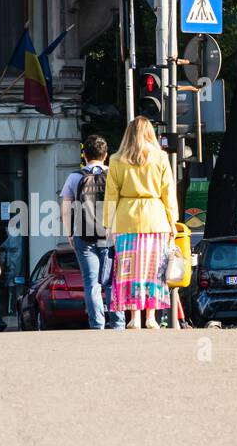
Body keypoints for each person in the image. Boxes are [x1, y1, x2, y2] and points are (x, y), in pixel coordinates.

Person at [103, 116, 178, 329]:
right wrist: (173, 220)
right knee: (153, 269)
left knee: (129, 270)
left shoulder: (117, 159)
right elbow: (168, 192)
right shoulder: (161, 158)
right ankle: (151, 317)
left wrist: (108, 223)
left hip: (126, 218)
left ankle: (134, 318)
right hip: (156, 218)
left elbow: (111, 194)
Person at [61, 134, 123, 329]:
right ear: (105, 155)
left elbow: (65, 207)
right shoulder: (113, 174)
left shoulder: (75, 177)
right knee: (113, 280)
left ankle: (97, 325)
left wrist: (69, 233)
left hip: (84, 234)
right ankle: (119, 323)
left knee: (91, 282)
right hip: (110, 235)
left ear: (84, 155)